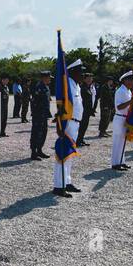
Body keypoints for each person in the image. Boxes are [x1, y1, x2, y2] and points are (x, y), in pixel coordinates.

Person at [52, 60, 85, 197]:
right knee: (63, 153)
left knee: (70, 153)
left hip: (75, 123)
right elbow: (61, 105)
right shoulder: (67, 86)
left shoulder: (76, 86)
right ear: (74, 72)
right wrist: (59, 125)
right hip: (68, 123)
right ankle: (59, 186)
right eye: (80, 72)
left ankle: (67, 181)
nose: (82, 74)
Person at [110, 71, 133, 171]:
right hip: (120, 117)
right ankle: (115, 163)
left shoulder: (128, 91)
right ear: (125, 80)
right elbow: (119, 107)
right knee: (117, 141)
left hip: (125, 118)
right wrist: (130, 101)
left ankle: (121, 161)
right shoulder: (120, 91)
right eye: (131, 80)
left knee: (123, 141)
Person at [29, 71, 51, 160]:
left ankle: (40, 150)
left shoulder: (46, 87)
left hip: (44, 114)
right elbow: (34, 102)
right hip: (38, 115)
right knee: (36, 133)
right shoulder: (38, 87)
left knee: (43, 132)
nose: (50, 79)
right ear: (44, 78)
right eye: (49, 78)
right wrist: (37, 114)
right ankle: (34, 153)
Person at [77, 72, 95, 146]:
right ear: (84, 79)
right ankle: (77, 141)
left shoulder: (89, 87)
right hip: (83, 111)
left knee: (85, 126)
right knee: (81, 126)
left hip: (87, 111)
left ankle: (81, 139)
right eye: (88, 78)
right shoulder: (81, 87)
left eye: (91, 78)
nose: (90, 80)